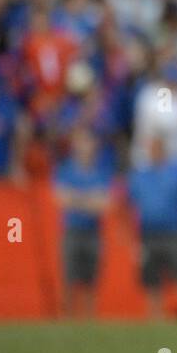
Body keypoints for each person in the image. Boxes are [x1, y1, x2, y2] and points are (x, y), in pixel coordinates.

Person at [127, 135, 177, 321]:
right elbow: (128, 204)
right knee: (152, 280)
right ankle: (156, 319)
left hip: (176, 233)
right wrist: (132, 235)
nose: (153, 152)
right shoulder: (140, 175)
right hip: (148, 234)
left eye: (157, 147)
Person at [55, 127, 113, 319]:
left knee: (91, 279)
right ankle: (69, 316)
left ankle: (89, 317)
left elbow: (104, 204)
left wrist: (77, 199)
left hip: (93, 232)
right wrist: (89, 200)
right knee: (69, 277)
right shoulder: (66, 170)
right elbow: (62, 199)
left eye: (88, 142)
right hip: (72, 231)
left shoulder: (101, 171)